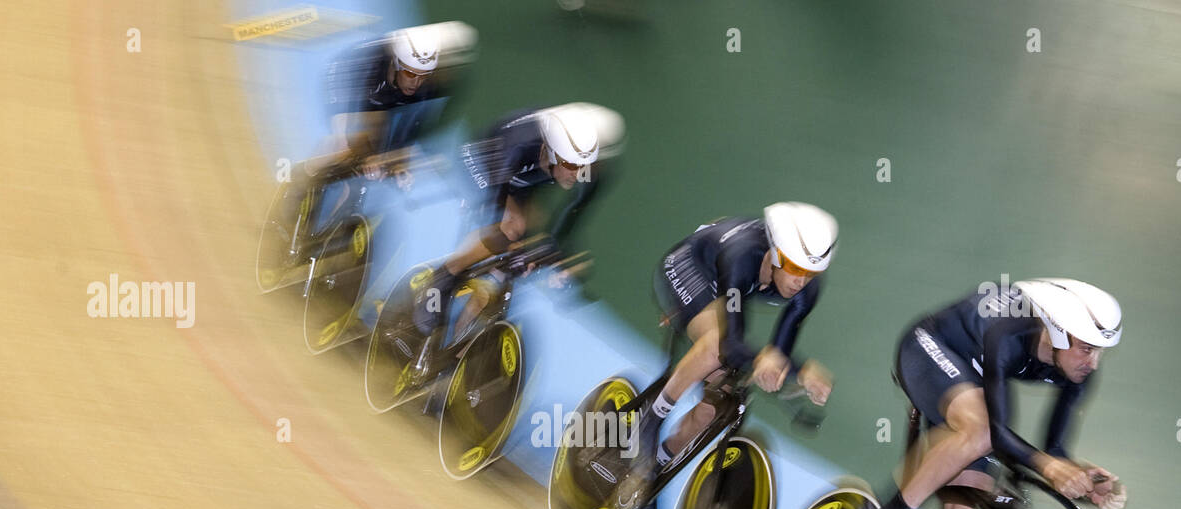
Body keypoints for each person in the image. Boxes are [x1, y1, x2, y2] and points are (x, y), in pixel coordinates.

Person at [859, 278, 1129, 509]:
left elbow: (1054, 452)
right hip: (928, 348)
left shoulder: (1078, 371)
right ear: (1059, 333)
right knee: (981, 431)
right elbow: (999, 435)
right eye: (1086, 349)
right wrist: (1049, 466)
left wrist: (1080, 478)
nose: (1093, 363)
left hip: (972, 379)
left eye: (1100, 352)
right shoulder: (1011, 331)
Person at [626, 203, 839, 483]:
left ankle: (652, 471)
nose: (800, 281)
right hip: (690, 268)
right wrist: (798, 368)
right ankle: (649, 421)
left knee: (716, 408)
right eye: (793, 267)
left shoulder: (807, 289)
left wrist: (800, 374)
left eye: (811, 273)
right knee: (716, 346)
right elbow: (732, 343)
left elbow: (776, 354)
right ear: (775, 253)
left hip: (728, 290)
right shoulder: (743, 256)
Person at [416, 102, 623, 337]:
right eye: (572, 166)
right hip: (489, 162)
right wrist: (509, 237)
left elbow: (571, 214)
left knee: (531, 231)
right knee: (511, 228)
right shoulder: (523, 141)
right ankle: (444, 275)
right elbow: (498, 200)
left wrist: (559, 256)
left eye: (586, 165)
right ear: (554, 152)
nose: (580, 174)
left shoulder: (586, 166)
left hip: (527, 178)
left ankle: (470, 324)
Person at [274, 22, 476, 257]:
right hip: (351, 85)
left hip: (386, 101)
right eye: (410, 74)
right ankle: (304, 178)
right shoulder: (375, 67)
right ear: (397, 64)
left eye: (424, 76)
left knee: (376, 166)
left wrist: (399, 159)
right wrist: (358, 149)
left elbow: (415, 125)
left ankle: (330, 235)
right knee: (351, 149)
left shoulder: (425, 84)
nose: (416, 82)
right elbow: (364, 120)